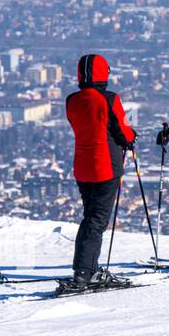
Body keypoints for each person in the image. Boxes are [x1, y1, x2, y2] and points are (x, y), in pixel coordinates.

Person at [62, 54, 137, 291]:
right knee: (96, 221)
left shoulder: (72, 100)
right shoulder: (109, 99)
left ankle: (88, 268)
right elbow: (122, 131)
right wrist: (131, 137)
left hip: (82, 167)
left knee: (90, 217)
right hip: (105, 166)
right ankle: (84, 273)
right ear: (104, 73)